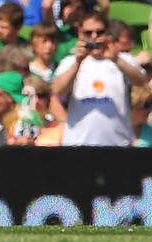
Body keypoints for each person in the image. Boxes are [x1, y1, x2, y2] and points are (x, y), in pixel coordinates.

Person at [52, 12, 145, 146]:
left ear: (108, 32)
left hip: (118, 143)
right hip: (78, 144)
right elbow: (58, 90)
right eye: (88, 33)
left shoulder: (123, 59)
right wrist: (78, 63)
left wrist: (116, 59)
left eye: (99, 32)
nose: (94, 37)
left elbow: (140, 81)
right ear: (80, 33)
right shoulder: (70, 62)